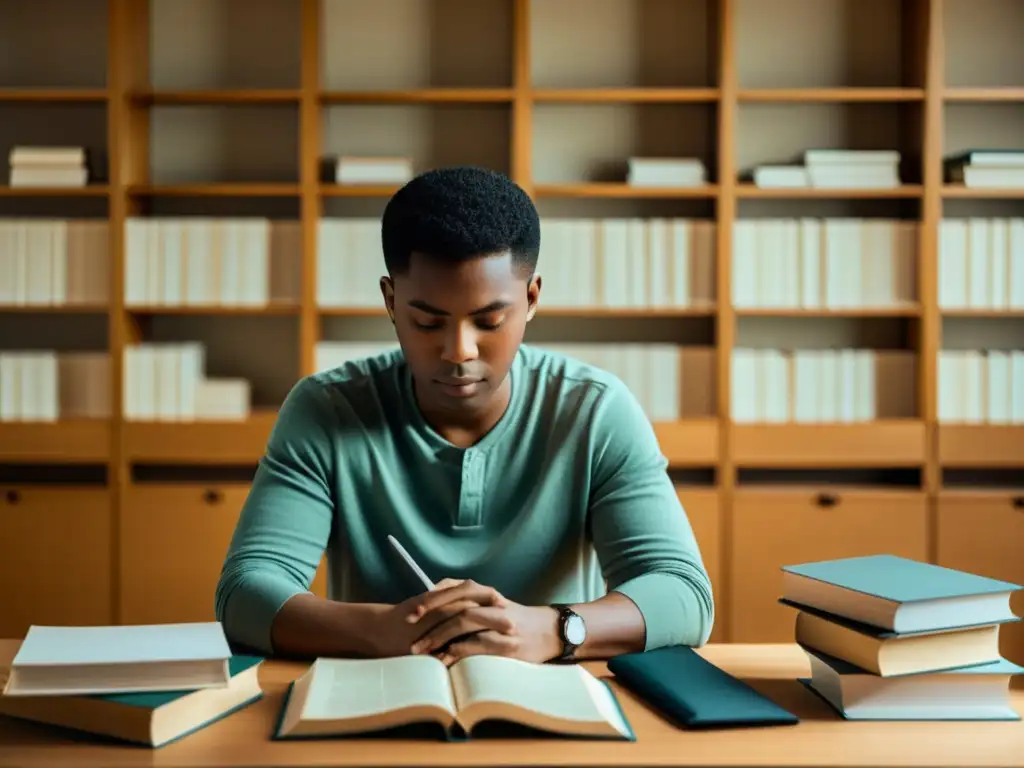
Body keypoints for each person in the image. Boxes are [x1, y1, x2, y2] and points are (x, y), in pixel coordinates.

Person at [214, 166, 714, 666]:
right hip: (381, 699)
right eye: (427, 321)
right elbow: (245, 593)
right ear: (390, 301)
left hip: (553, 713)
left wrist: (552, 629)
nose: (459, 351)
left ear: (532, 299)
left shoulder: (595, 411)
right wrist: (380, 630)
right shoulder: (326, 411)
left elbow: (684, 595)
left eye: (489, 321)